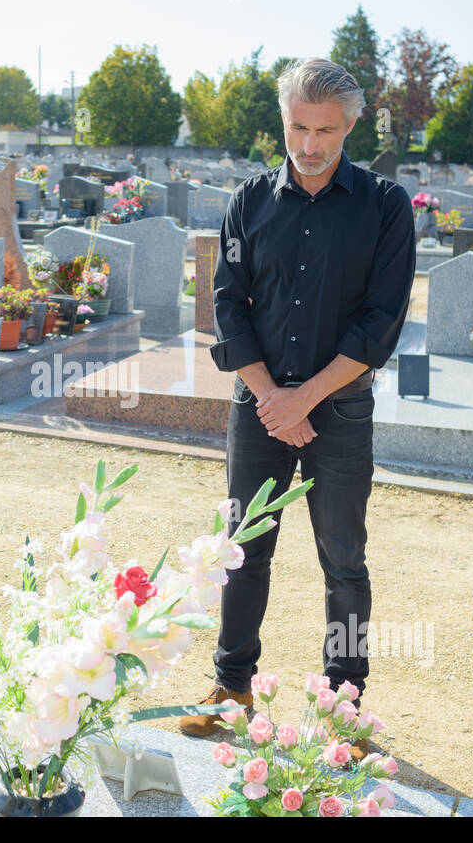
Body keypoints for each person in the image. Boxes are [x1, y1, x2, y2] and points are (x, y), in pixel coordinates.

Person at [178, 58, 416, 754]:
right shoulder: (249, 201)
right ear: (282, 121)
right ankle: (232, 688)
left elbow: (380, 323)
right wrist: (271, 398)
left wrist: (302, 400)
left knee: (343, 559)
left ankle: (344, 706)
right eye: (297, 128)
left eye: (325, 131)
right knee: (243, 549)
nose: (309, 146)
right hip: (258, 405)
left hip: (339, 412)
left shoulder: (385, 206)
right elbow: (228, 306)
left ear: (351, 127)